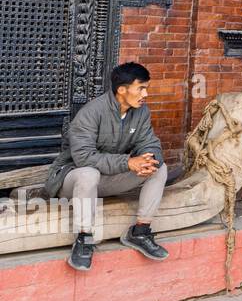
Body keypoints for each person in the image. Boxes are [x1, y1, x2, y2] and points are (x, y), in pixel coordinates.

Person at [44, 62, 171, 272]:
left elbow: (150, 143)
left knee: (160, 168)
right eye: (141, 88)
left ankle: (140, 231)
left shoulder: (140, 112)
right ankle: (84, 239)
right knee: (88, 174)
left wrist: (149, 160)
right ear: (122, 89)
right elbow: (84, 158)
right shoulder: (91, 112)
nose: (145, 94)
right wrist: (128, 162)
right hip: (71, 181)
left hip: (106, 180)